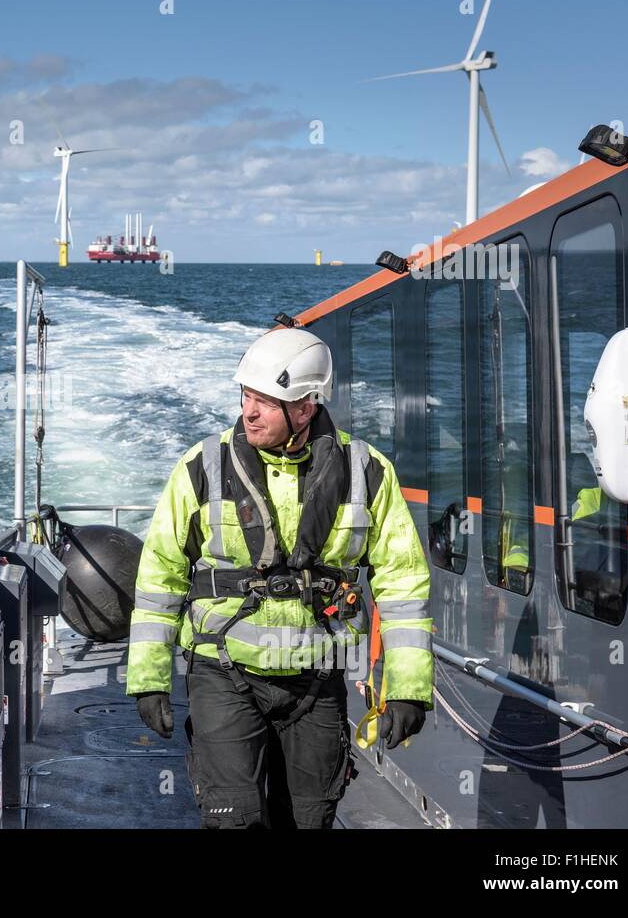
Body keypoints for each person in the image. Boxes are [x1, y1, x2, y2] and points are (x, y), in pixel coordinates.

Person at [125, 323, 434, 829]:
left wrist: (407, 689)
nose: (248, 411)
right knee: (233, 821)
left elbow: (403, 588)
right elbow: (160, 579)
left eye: (265, 401)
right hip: (223, 673)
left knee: (308, 822)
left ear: (306, 407)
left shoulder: (368, 473)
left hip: (316, 680)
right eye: (246, 395)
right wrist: (148, 679)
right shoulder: (201, 468)